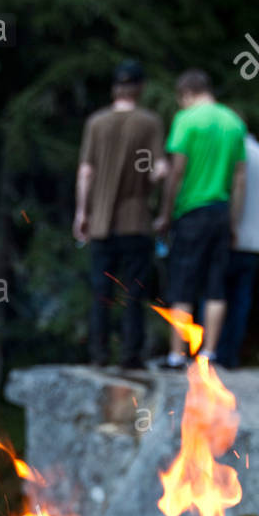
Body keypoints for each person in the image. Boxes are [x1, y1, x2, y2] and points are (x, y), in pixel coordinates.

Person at [73, 59, 166, 369]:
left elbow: (86, 171)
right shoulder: (149, 123)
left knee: (102, 292)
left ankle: (98, 355)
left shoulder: (96, 123)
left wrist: (82, 212)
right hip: (135, 221)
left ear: (115, 89)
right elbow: (158, 170)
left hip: (101, 223)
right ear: (139, 88)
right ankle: (130, 356)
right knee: (134, 293)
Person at [154, 70, 246, 368]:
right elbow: (240, 177)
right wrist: (234, 221)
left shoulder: (187, 120)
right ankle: (208, 353)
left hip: (191, 212)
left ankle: (177, 354)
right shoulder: (233, 122)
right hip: (220, 210)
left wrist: (165, 213)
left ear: (186, 94)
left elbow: (177, 170)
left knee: (183, 284)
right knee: (215, 285)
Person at [216, 131, 259, 369]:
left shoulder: (228, 152)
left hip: (227, 238)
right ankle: (231, 357)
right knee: (241, 300)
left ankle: (210, 354)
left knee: (215, 295)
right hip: (255, 241)